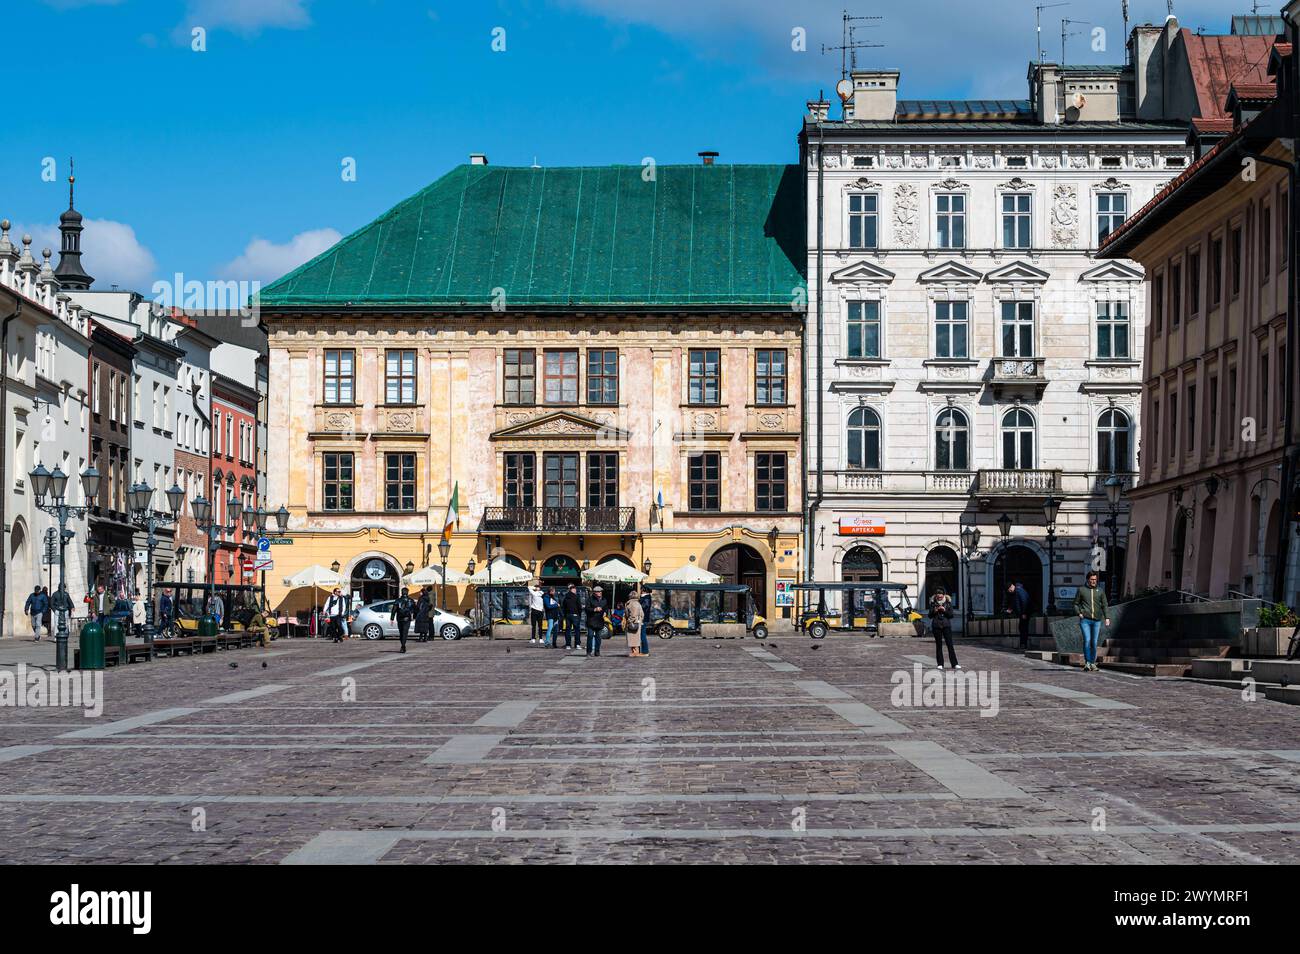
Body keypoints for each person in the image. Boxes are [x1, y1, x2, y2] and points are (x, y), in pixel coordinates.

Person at [1073, 570, 1110, 672]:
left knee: (1094, 642)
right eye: (1092, 579)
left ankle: (1093, 663)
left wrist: (1107, 617)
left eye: (1095, 580)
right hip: (1085, 620)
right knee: (1087, 640)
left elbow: (1105, 605)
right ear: (1088, 579)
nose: (1094, 581)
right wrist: (1079, 613)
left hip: (1097, 621)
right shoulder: (1081, 590)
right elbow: (1075, 604)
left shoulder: (1100, 591)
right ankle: (1087, 662)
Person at [929, 586, 960, 670]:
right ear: (936, 595)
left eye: (941, 594)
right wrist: (935, 611)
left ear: (944, 594)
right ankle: (940, 664)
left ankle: (954, 664)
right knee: (939, 645)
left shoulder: (948, 603)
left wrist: (944, 610)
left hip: (946, 625)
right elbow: (929, 616)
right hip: (936, 626)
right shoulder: (932, 603)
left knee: (950, 645)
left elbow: (951, 615)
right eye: (938, 594)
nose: (939, 595)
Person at [1006, 581, 1032, 651]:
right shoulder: (1016, 591)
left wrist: (1024, 613)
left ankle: (1023, 645)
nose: (1009, 591)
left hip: (1024, 614)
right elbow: (1016, 602)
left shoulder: (1019, 591)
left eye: (1009, 590)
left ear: (1011, 586)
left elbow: (1024, 601)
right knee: (1022, 628)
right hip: (1022, 614)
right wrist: (1011, 609)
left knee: (1023, 628)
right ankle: (1022, 644)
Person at [390, 588, 417, 653]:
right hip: (407, 618)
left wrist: (392, 618)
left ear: (402, 592)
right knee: (405, 632)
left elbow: (394, 610)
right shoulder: (411, 600)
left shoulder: (397, 600)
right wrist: (414, 617)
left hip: (399, 618)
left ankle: (402, 645)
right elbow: (415, 609)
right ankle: (403, 645)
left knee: (401, 632)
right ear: (407, 592)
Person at [586, 586, 608, 657]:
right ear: (594, 592)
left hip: (599, 621)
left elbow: (606, 608)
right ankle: (589, 652)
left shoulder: (604, 600)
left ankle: (597, 652)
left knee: (598, 637)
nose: (600, 593)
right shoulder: (590, 599)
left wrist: (605, 612)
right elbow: (587, 609)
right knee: (590, 636)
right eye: (598, 591)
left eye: (601, 591)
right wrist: (594, 609)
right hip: (591, 620)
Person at [623, 588, 645, 657]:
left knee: (633, 638)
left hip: (633, 623)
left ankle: (635, 652)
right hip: (638, 622)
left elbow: (633, 614)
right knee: (635, 638)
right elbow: (642, 614)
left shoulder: (631, 603)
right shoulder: (637, 603)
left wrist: (629, 621)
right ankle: (635, 651)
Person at [561, 583, 582, 649]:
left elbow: (563, 606)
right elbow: (579, 607)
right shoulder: (576, 597)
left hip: (568, 615)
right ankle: (577, 644)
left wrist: (565, 614)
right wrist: (579, 614)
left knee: (568, 630)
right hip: (575, 615)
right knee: (577, 630)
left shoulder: (566, 597)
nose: (575, 590)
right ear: (572, 589)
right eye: (575, 589)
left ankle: (568, 645)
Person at [528, 580, 545, 645]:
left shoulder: (534, 593)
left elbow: (529, 587)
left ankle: (533, 639)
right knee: (540, 626)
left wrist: (534, 588)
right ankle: (540, 639)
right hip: (540, 611)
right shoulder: (542, 593)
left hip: (535, 611)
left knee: (534, 626)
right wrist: (537, 588)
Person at [639, 587, 652, 656]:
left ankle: (645, 651)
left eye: (641, 589)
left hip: (643, 618)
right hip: (643, 618)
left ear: (643, 590)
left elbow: (644, 607)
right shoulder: (646, 597)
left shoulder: (646, 598)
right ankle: (643, 651)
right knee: (641, 635)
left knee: (642, 635)